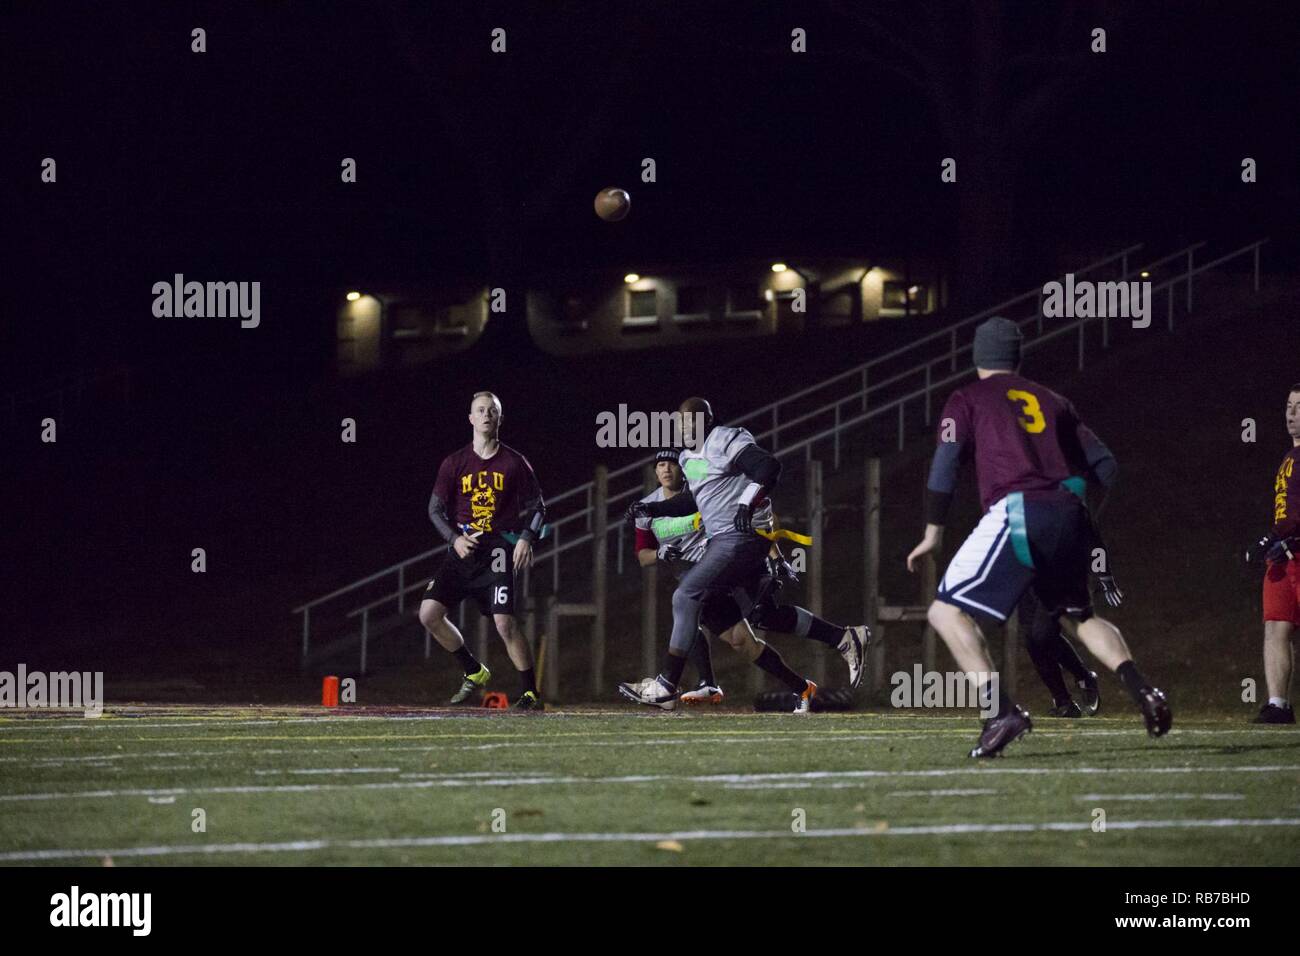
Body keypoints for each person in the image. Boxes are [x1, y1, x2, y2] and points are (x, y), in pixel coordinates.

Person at [906, 317, 1171, 757]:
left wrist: (933, 532)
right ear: (1017, 355)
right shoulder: (1053, 399)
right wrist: (1079, 512)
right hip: (1068, 511)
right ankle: (1144, 691)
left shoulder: (966, 398)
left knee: (945, 613)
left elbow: (946, 462)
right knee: (1078, 617)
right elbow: (1106, 466)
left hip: (1018, 510)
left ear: (977, 356)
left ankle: (999, 713)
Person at [620, 398, 868, 713]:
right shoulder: (688, 458)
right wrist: (651, 508)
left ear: (705, 422)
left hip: (741, 540)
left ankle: (668, 685)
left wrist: (745, 502)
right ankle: (841, 641)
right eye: (679, 423)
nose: (683, 428)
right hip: (727, 545)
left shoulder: (724, 437)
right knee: (752, 622)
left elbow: (768, 467)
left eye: (689, 421)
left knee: (685, 597)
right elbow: (696, 501)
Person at [418, 391, 546, 709]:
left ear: (500, 419)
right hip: (463, 549)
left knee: (504, 622)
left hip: (497, 550)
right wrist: (454, 539)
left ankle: (530, 692)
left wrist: (527, 538)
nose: (487, 415)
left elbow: (538, 506)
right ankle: (474, 670)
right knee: (429, 615)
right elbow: (434, 509)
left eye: (493, 410)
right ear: (471, 418)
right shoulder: (454, 463)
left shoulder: (515, 462)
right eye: (481, 410)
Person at [634, 450, 724, 704]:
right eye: (661, 465)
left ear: (682, 469)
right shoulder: (647, 507)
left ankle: (669, 686)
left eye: (672, 464)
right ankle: (703, 684)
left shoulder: (699, 495)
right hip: (686, 574)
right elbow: (642, 556)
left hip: (718, 566)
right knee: (736, 635)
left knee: (690, 616)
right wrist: (660, 553)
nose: (666, 469)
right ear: (655, 471)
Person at [1244, 383, 1300, 723]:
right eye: (1289, 406)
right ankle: (1278, 705)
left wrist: (1274, 536)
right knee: (1275, 627)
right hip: (1285, 558)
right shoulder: (1289, 456)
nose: (1292, 413)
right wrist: (1277, 541)